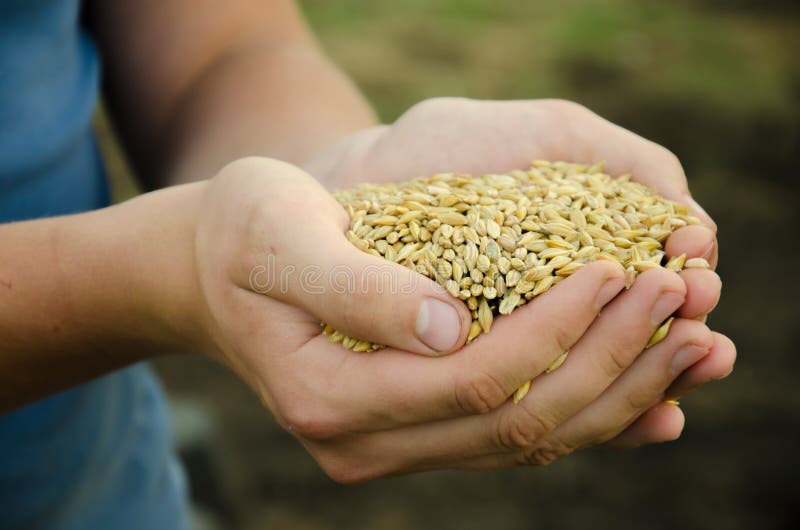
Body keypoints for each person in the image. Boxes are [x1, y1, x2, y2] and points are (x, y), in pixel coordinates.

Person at [0, 1, 736, 528]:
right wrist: (157, 275)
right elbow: (170, 262)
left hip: (96, 491)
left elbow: (217, 50)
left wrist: (337, 182)